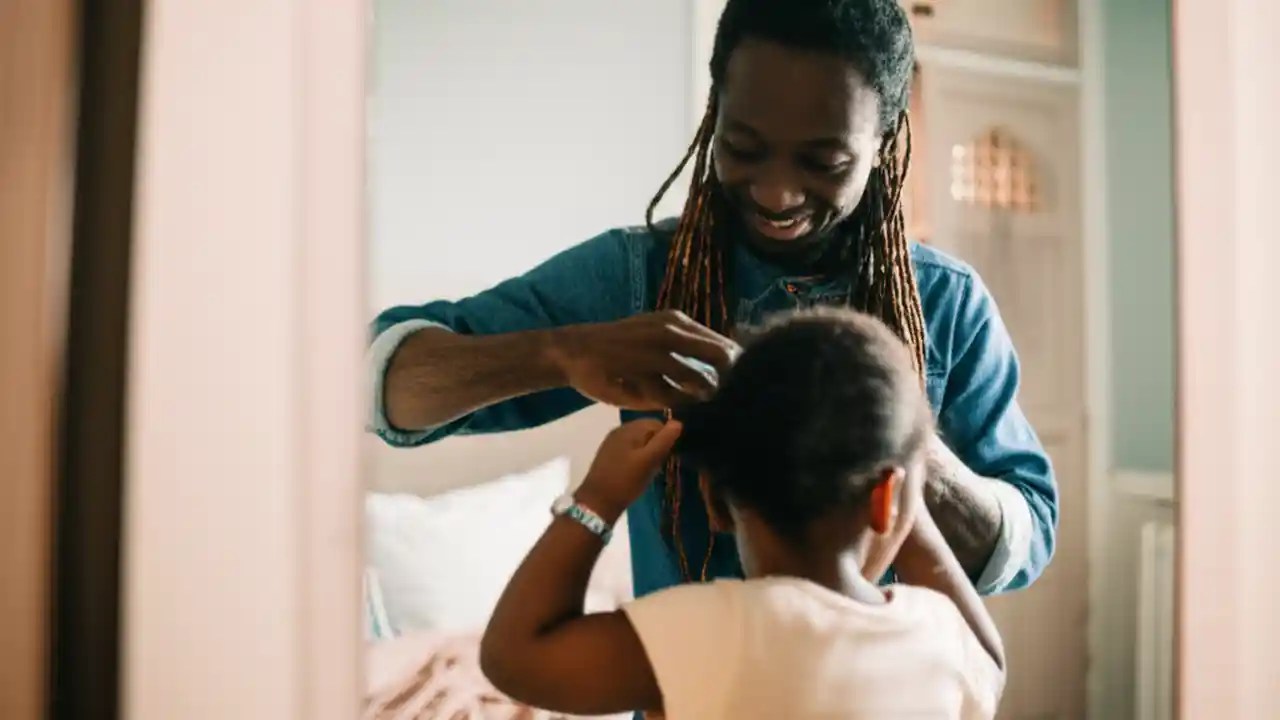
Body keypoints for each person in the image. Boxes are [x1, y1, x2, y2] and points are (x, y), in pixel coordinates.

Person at [368, 0, 1054, 597]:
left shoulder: (948, 304)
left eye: (824, 163)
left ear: (885, 141)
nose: (778, 192)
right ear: (714, 112)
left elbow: (1024, 542)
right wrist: (564, 351)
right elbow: (379, 388)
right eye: (745, 147)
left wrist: (892, 438)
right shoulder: (638, 279)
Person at [479, 309, 1006, 719]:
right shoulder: (937, 635)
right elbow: (990, 661)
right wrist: (891, 485)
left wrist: (598, 497)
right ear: (886, 499)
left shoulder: (705, 634)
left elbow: (514, 656)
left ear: (713, 498)